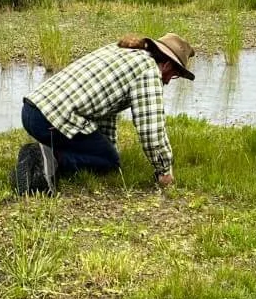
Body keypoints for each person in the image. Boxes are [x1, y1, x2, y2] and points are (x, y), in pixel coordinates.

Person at [16, 32, 195, 195]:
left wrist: (107, 145)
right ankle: (49, 158)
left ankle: (43, 154)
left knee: (106, 155)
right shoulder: (148, 70)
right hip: (50, 119)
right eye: (175, 74)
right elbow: (151, 130)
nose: (170, 81)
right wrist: (164, 172)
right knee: (109, 163)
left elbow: (105, 108)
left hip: (32, 110)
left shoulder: (125, 52)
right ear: (168, 64)